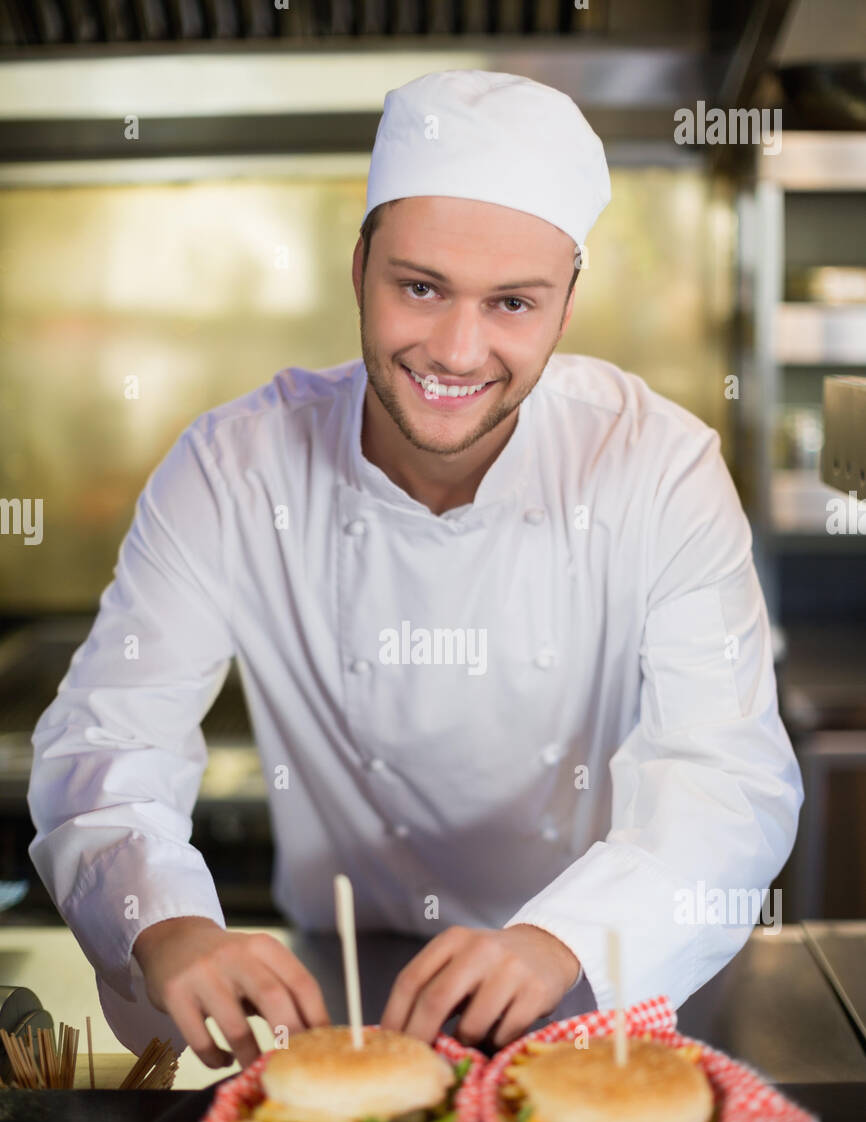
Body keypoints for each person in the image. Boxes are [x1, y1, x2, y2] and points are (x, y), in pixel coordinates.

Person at [27, 70, 803, 1069]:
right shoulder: (233, 466)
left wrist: (566, 939)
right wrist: (164, 923)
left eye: (511, 302)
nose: (454, 348)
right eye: (419, 286)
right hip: (341, 990)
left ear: (566, 304)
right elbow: (109, 732)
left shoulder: (657, 466)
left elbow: (725, 773)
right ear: (358, 267)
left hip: (599, 977)